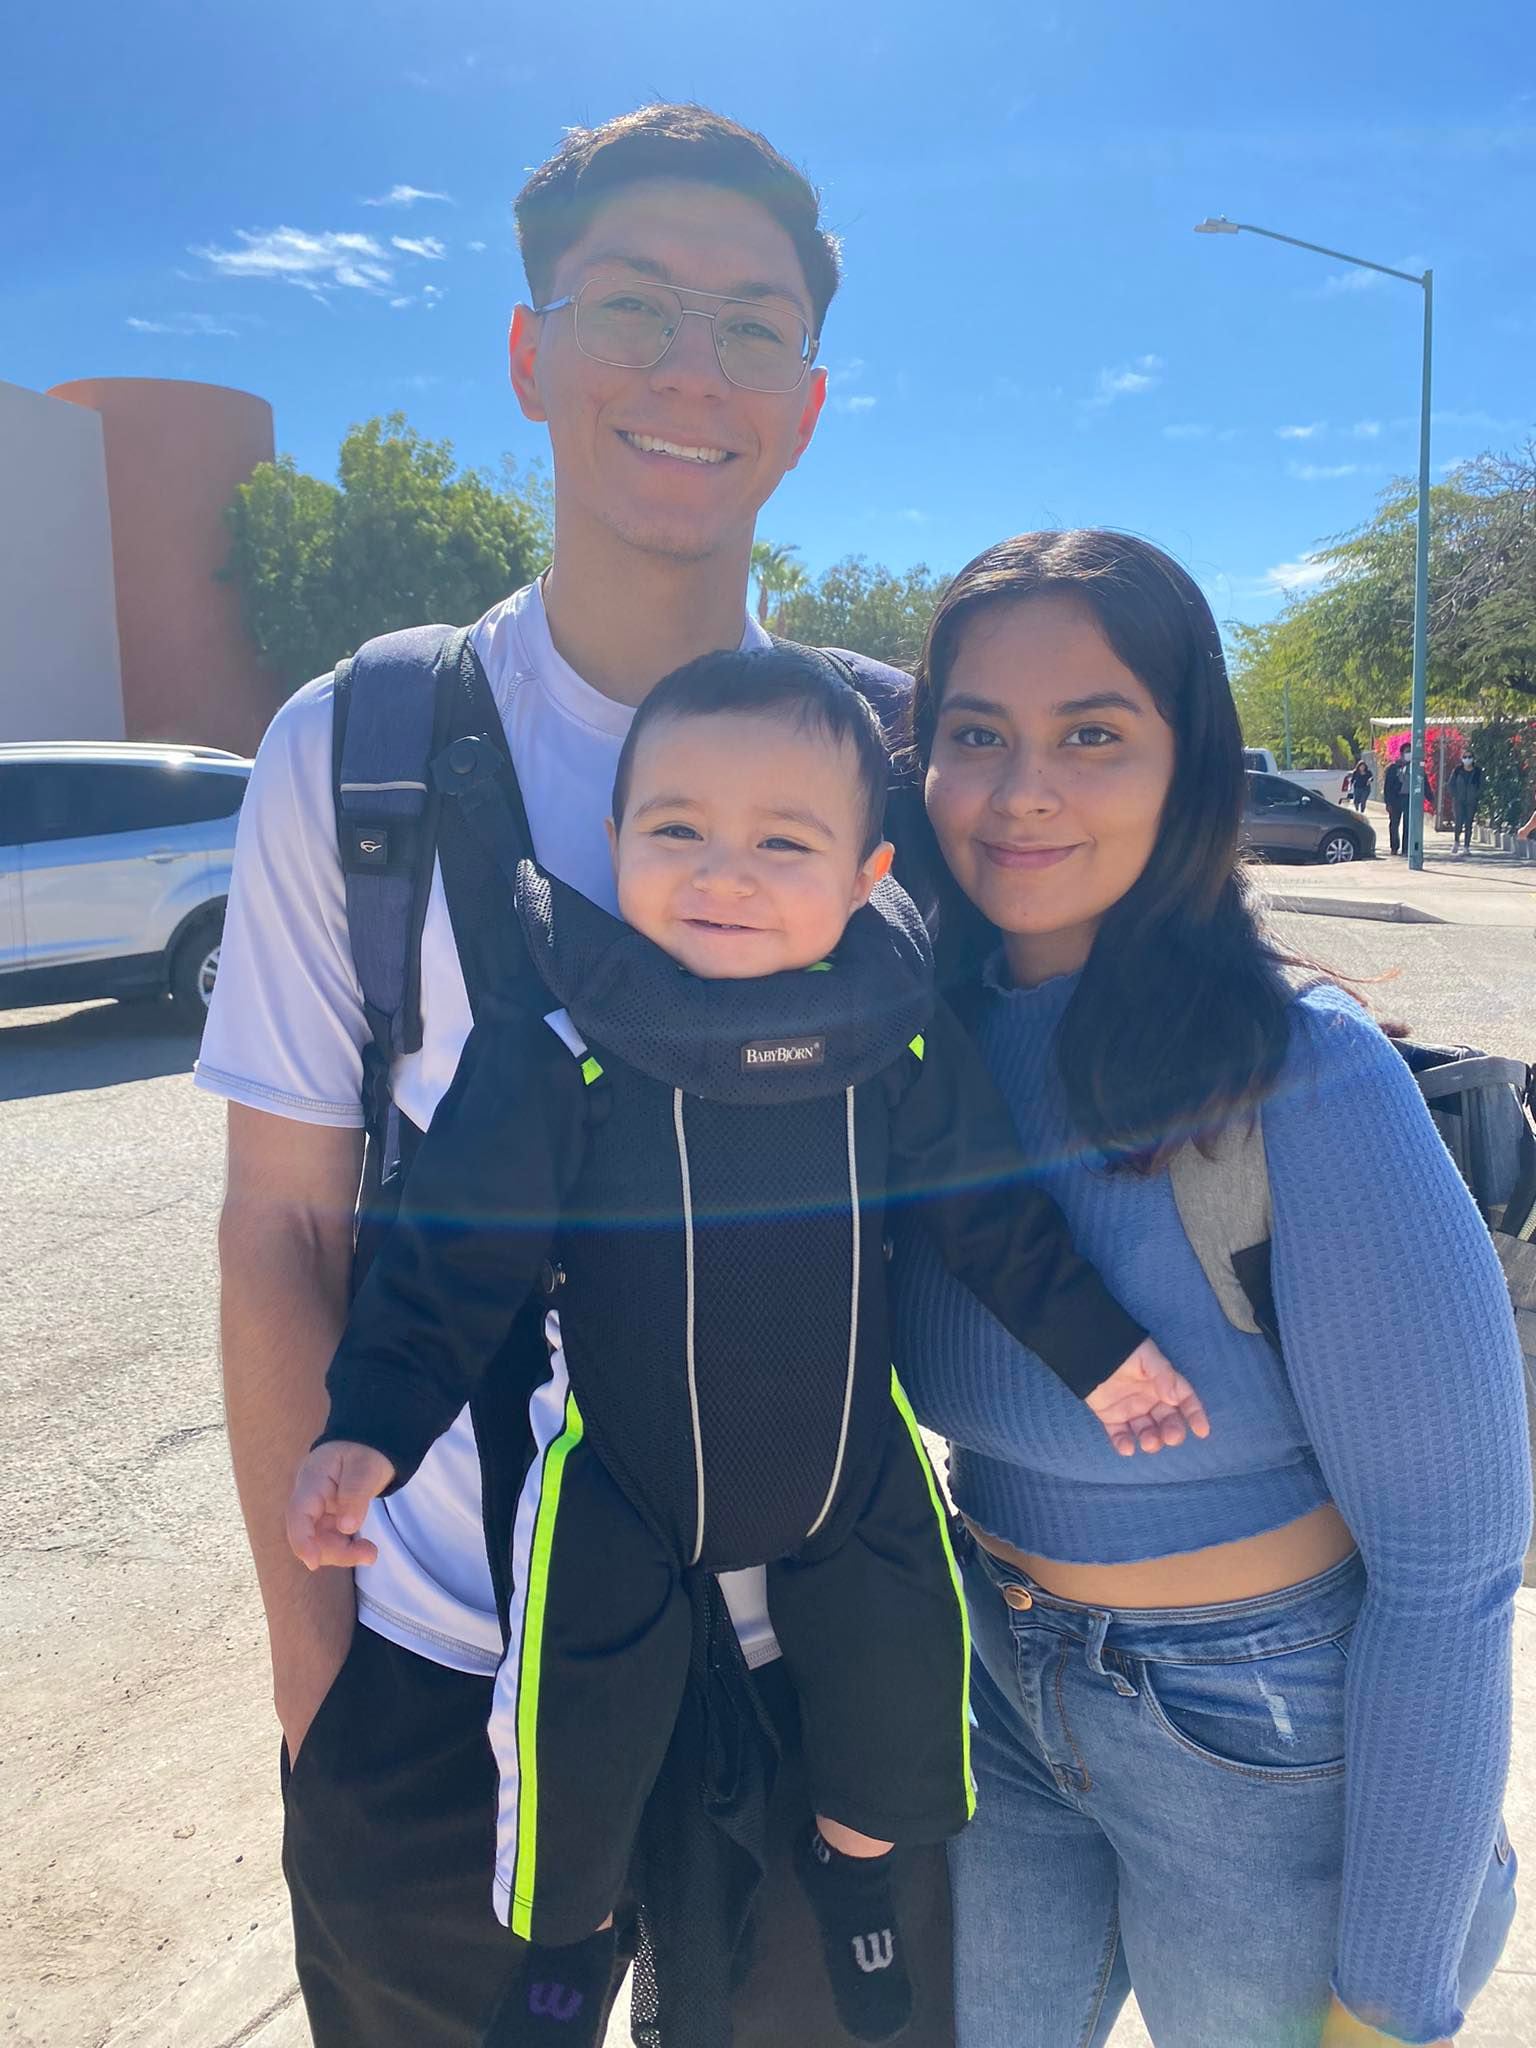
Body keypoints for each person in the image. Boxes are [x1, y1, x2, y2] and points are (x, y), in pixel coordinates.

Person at [200, 104, 954, 2048]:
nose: (691, 367)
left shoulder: (900, 763)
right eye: (633, 305)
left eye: (751, 324)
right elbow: (284, 1226)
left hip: (816, 1689)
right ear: (532, 354)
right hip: (444, 1676)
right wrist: (318, 1683)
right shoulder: (357, 749)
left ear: (806, 403)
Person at [286, 649, 1207, 2048]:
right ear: (613, 842)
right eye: (678, 830)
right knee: (571, 1727)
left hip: (849, 1468)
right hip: (623, 1477)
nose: (724, 873)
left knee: (906, 1690)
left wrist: (1104, 1355)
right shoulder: (563, 1047)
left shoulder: (894, 1043)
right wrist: (368, 1426)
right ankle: (563, 1951)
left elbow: (994, 1220)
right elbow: (450, 1265)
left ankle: (852, 1869)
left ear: (867, 872)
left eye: (784, 842)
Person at [891, 528, 1528, 2048]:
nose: (1021, 789)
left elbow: (1453, 1569)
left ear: (1189, 765)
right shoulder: (909, 1049)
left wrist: (1390, 1989)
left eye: (1092, 735)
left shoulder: (1304, 1071)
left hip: (1260, 1720)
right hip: (990, 1684)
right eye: (976, 735)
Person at [1450, 752, 1484, 851]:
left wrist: (1476, 796)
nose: (1467, 759)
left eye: (1469, 757)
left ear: (1473, 758)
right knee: (1458, 822)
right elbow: (1451, 784)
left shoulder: (1477, 771)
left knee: (1469, 823)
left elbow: (1481, 785)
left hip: (1471, 801)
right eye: (1465, 757)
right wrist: (1455, 795)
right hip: (1459, 801)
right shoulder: (1457, 770)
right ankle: (1456, 842)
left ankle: (1466, 846)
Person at [1382, 745, 1412, 854]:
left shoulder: (1415, 767)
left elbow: (1423, 781)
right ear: (1402, 753)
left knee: (1408, 824)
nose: (1409, 753)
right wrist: (1388, 802)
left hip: (1408, 799)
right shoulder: (1393, 768)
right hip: (1395, 799)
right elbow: (1387, 786)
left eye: (1411, 751)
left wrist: (1430, 798)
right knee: (1394, 824)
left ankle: (1406, 848)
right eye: (1407, 751)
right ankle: (1394, 847)